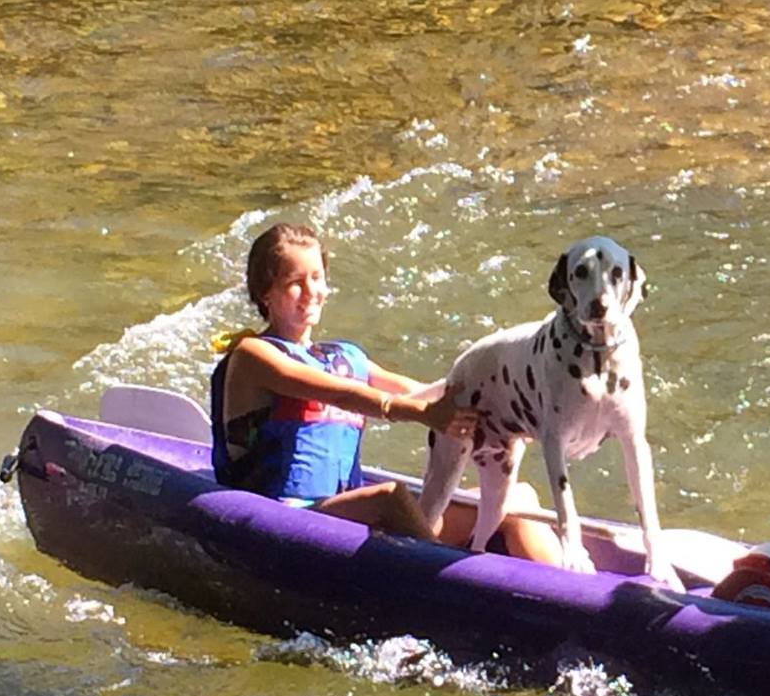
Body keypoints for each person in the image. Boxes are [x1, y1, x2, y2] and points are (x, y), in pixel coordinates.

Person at [212, 222, 564, 562]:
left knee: (519, 499)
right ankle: (440, 580)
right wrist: (422, 414)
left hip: (347, 517)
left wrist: (507, 415)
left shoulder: (344, 356)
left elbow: (428, 393)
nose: (311, 291)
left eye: (317, 278)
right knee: (390, 496)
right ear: (265, 293)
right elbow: (342, 395)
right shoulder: (253, 355)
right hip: (287, 516)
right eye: (295, 282)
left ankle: (571, 588)